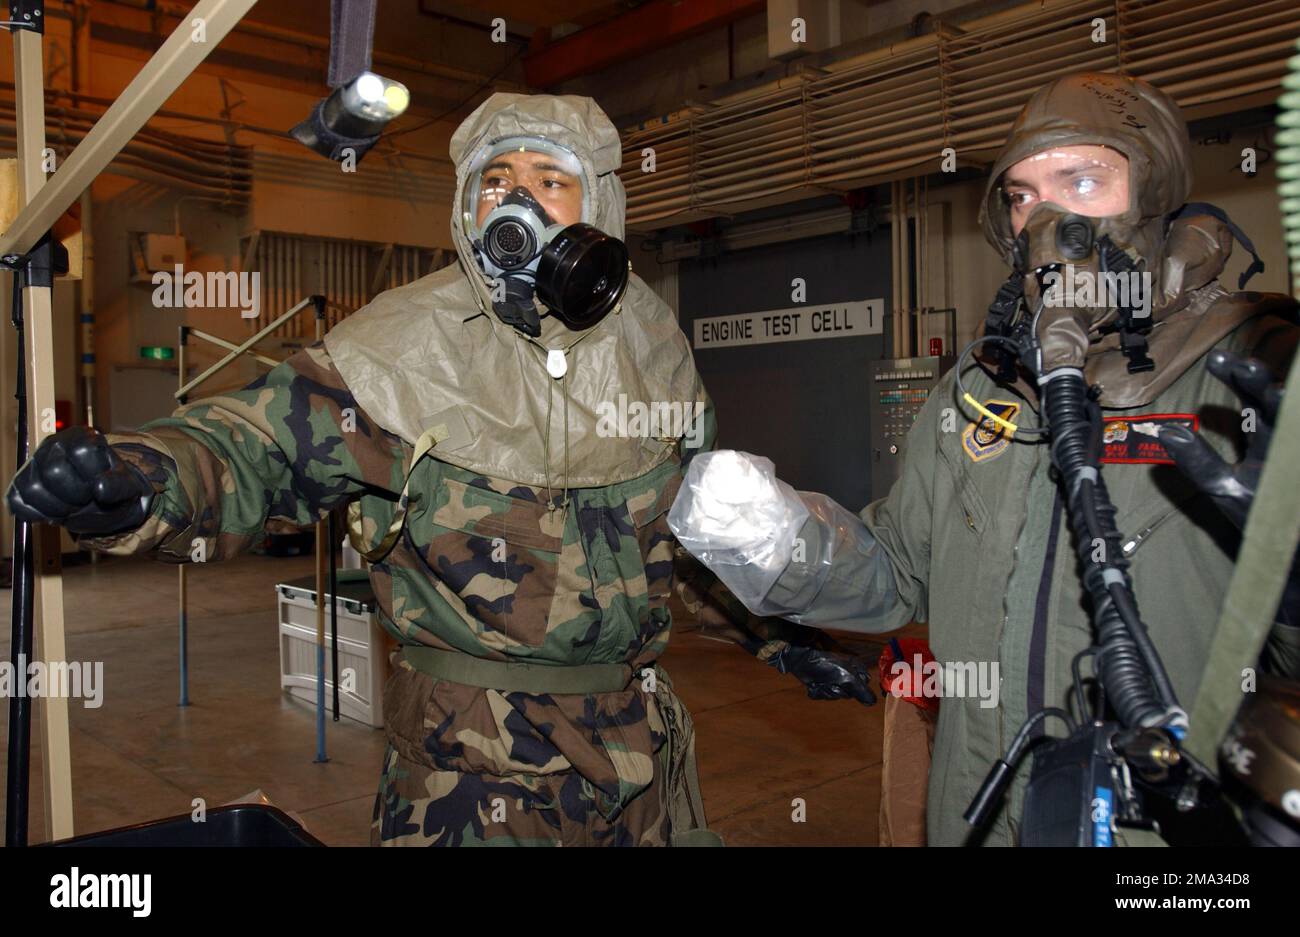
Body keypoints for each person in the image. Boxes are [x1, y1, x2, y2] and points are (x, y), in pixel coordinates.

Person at [7, 93, 873, 847]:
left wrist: (783, 637)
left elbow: (686, 541)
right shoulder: (404, 347)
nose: (518, 201)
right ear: (467, 204)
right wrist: (138, 481)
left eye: (548, 178)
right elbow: (253, 446)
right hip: (472, 778)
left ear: (598, 203)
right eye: (498, 181)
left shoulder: (650, 348)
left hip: (634, 769)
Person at [669, 71, 1300, 846]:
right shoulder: (981, 388)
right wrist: (779, 538)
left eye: (1084, 178)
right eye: (1025, 195)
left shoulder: (1255, 380)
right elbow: (899, 571)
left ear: (1154, 193)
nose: (1050, 220)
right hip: (980, 818)